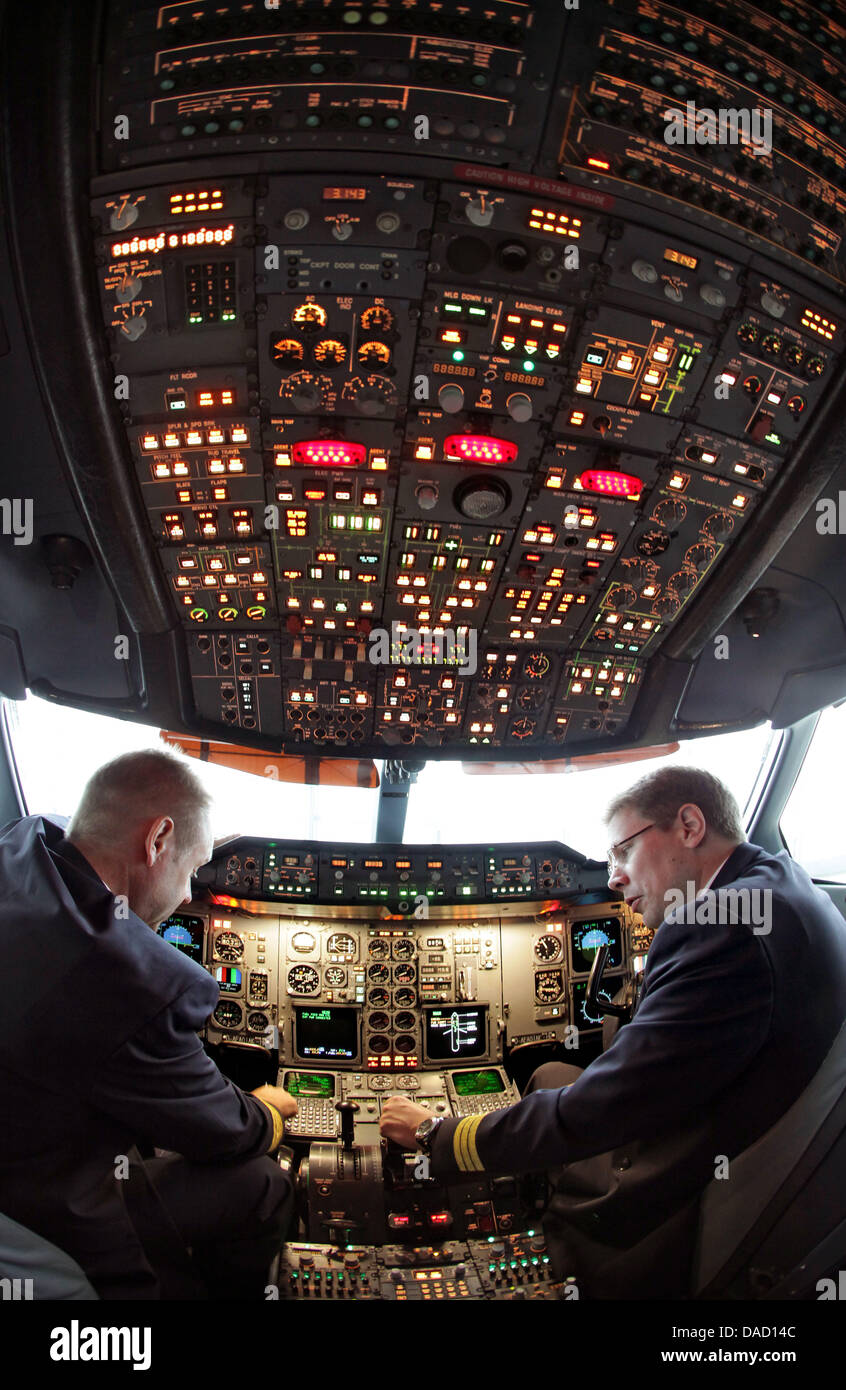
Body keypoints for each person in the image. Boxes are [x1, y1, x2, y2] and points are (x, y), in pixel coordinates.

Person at [380, 766, 846, 1298]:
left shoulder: (719, 927)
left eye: (622, 852)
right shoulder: (778, 883)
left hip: (693, 1179)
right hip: (758, 1132)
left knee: (552, 1094)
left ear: (689, 825)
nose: (613, 878)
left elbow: (602, 1110)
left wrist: (437, 1135)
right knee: (553, 1072)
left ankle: (560, 1254)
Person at [0, 749, 298, 1299]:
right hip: (34, 1208)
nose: (188, 894)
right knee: (265, 1184)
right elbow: (222, 1133)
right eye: (191, 868)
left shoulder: (21, 844)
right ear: (158, 839)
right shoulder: (129, 980)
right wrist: (268, 1111)